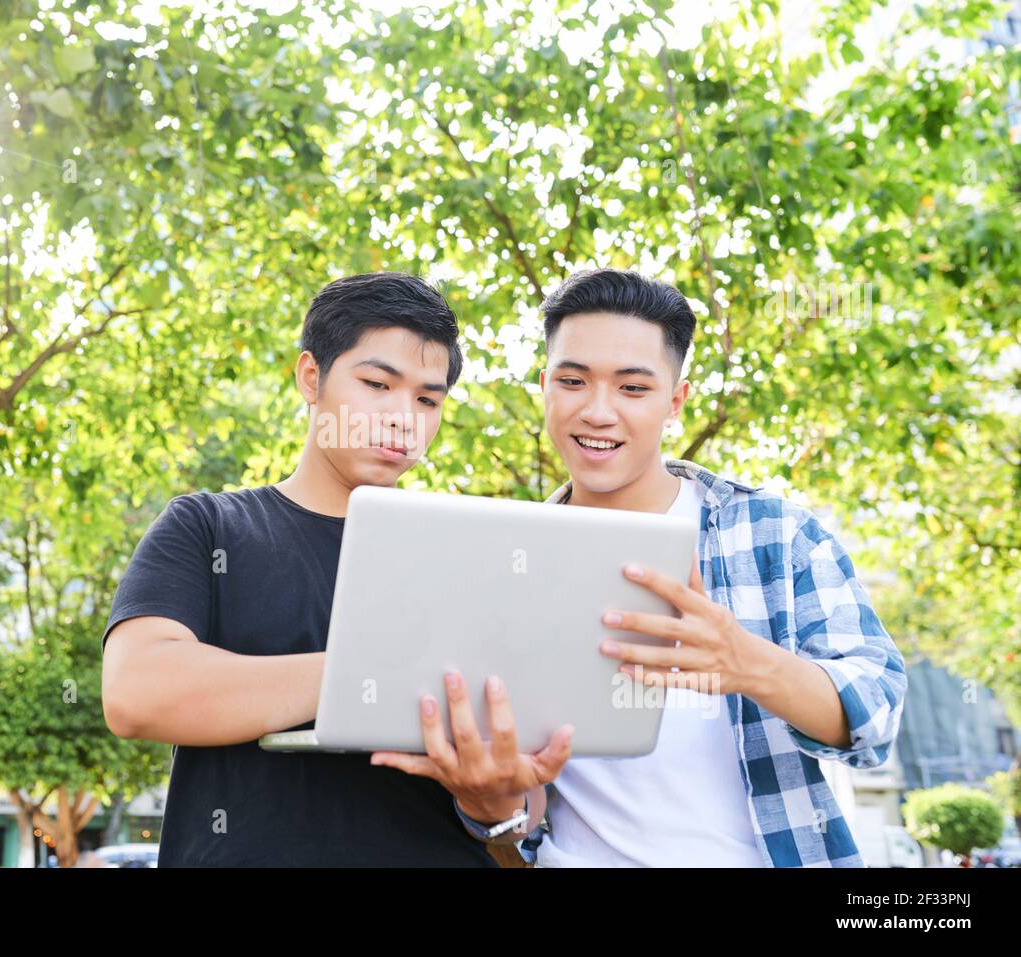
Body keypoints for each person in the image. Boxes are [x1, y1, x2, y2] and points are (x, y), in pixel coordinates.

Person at [372, 268, 907, 867]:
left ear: (674, 401)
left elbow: (878, 712)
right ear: (546, 386)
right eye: (573, 382)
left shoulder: (772, 534)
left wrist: (748, 663)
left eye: (633, 389)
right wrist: (491, 808)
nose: (598, 413)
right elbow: (519, 821)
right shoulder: (503, 564)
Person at [101, 272, 571, 866]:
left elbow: (522, 805)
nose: (404, 417)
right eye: (377, 383)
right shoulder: (210, 528)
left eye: (428, 400)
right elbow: (137, 692)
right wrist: (374, 674)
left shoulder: (476, 557)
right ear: (310, 377)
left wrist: (494, 804)